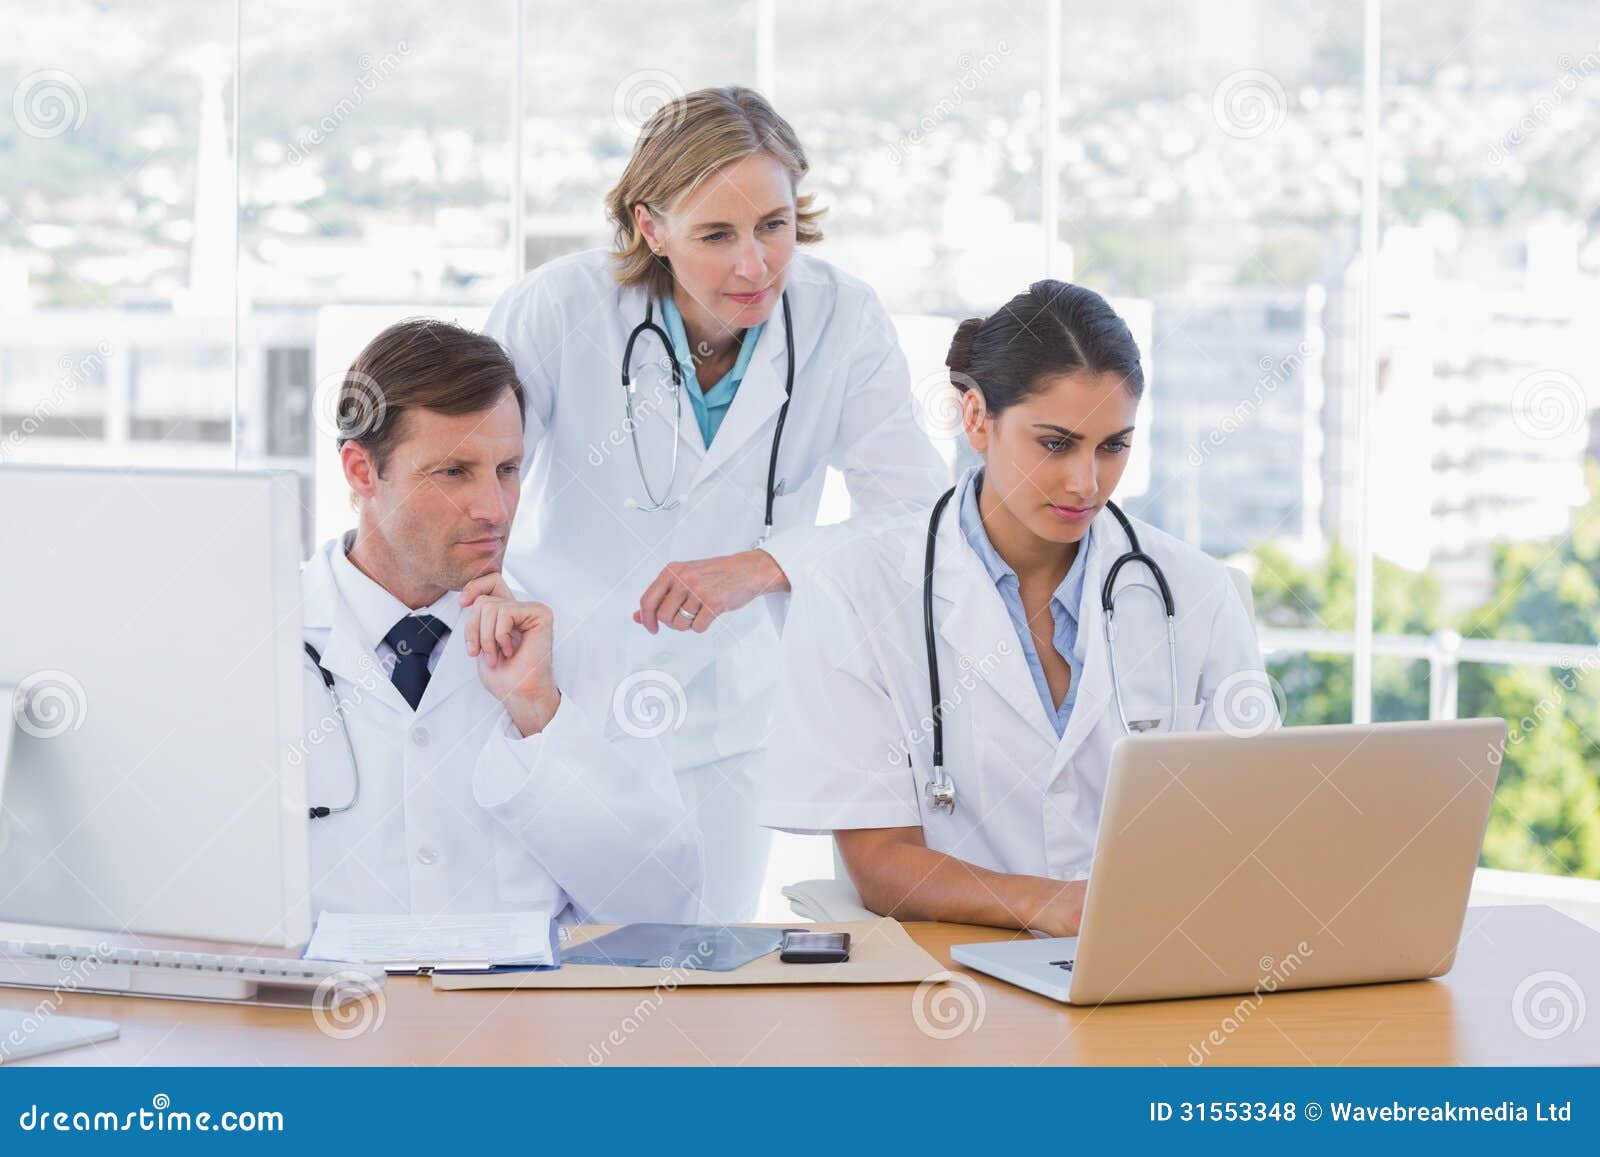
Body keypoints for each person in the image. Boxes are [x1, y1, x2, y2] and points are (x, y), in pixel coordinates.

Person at [483, 86, 946, 920]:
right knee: (550, 975)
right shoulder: (558, 310)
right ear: (650, 226)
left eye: (774, 225)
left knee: (702, 981)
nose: (755, 265)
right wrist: (488, 593)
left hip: (731, 710)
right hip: (568, 698)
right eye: (717, 235)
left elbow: (922, 519)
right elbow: (477, 476)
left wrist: (765, 566)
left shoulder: (842, 319)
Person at [758, 281, 1276, 937]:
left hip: (1148, 968)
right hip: (947, 983)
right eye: (1056, 443)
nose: (1085, 483)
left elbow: (1244, 824)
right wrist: (1049, 904)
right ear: (976, 418)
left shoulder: (1198, 594)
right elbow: (880, 862)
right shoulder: (857, 588)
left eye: (1112, 445)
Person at [300, 319, 702, 923]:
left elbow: (663, 908)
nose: (493, 509)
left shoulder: (577, 641)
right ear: (362, 471)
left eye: (507, 470)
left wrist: (540, 712)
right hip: (320, 1011)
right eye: (454, 472)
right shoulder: (258, 644)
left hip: (522, 1015)